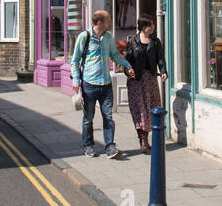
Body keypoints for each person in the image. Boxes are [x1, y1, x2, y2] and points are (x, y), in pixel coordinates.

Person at [70, 9, 135, 159]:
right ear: (100, 22)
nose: (110, 22)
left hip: (106, 84)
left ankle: (110, 147)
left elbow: (114, 55)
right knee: (89, 118)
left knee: (108, 116)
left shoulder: (108, 38)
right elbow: (75, 62)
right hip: (89, 84)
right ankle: (88, 146)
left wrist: (127, 66)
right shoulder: (84, 37)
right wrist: (75, 81)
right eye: (108, 20)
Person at [124, 15, 168, 153]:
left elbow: (160, 58)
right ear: (144, 27)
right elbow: (127, 61)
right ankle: (142, 140)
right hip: (136, 81)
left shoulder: (155, 42)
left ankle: (146, 140)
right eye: (151, 25)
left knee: (151, 108)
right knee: (139, 110)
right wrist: (127, 70)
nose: (153, 27)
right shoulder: (132, 42)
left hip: (150, 80)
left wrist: (163, 71)